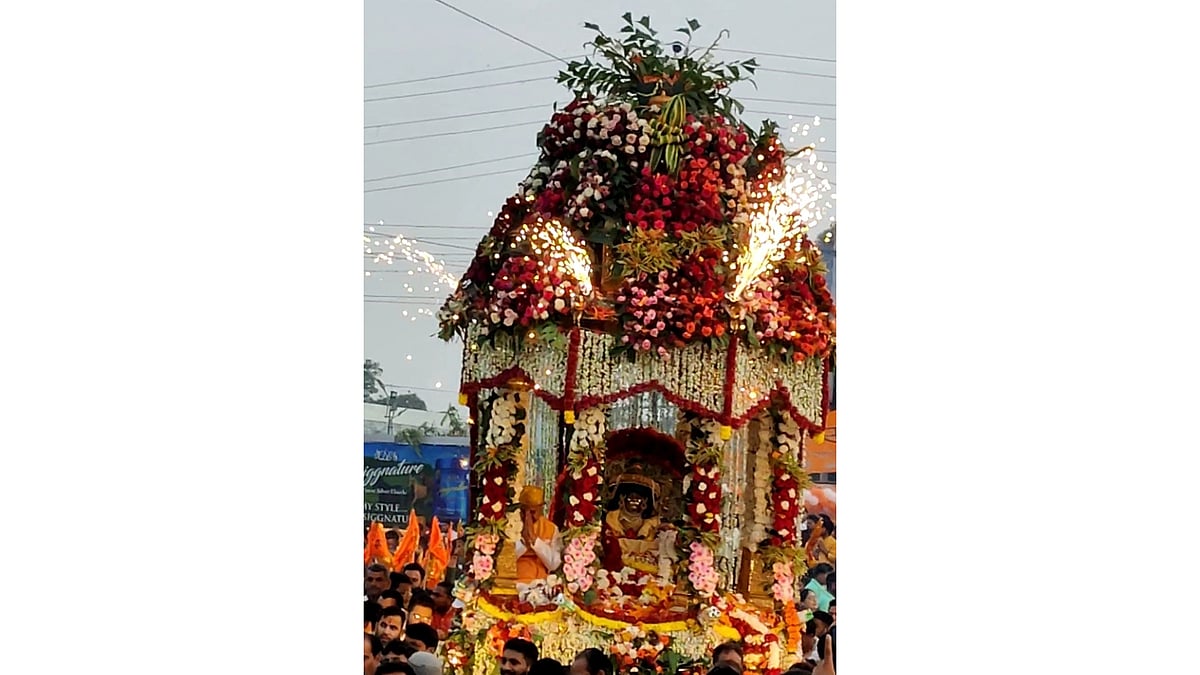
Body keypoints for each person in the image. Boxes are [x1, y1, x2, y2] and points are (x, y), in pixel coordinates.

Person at [601, 474, 666, 573]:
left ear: (645, 502)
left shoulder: (653, 525)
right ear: (622, 500)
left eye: (638, 499)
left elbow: (657, 547)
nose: (634, 501)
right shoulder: (611, 520)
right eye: (631, 498)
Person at [515, 486, 563, 584]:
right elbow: (506, 559)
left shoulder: (551, 528)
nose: (529, 516)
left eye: (533, 512)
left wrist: (535, 541)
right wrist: (524, 542)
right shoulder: (512, 526)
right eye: (525, 512)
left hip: (542, 583)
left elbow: (554, 564)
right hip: (518, 582)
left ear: (541, 508)